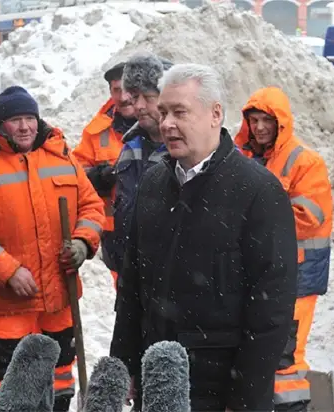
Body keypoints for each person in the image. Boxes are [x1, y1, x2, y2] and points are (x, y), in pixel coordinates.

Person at [110, 64, 298, 412]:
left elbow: (271, 312)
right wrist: (124, 365)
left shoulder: (257, 191)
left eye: (180, 112)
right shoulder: (153, 184)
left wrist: (245, 400)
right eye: (163, 111)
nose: (167, 123)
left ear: (215, 114)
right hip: (157, 380)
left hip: (219, 389)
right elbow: (132, 288)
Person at [0, 85, 105, 411]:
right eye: (15, 120)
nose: (24, 127)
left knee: (62, 368)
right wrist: (8, 271)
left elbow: (92, 208)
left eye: (29, 118)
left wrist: (82, 242)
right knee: (9, 375)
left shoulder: (64, 160)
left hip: (59, 295)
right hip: (10, 301)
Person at [235, 87, 334, 412]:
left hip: (297, 278)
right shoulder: (244, 157)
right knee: (260, 349)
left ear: (282, 123)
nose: (260, 127)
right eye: (254, 120)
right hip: (261, 274)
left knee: (285, 356)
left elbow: (311, 216)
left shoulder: (305, 161)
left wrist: (254, 213)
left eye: (267, 120)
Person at [72, 62, 137, 287]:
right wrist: (97, 176)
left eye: (128, 88)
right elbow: (76, 173)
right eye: (116, 90)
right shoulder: (96, 130)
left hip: (155, 227)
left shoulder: (160, 124)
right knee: (126, 296)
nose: (123, 96)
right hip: (115, 230)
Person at [109, 54, 167, 280]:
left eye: (148, 97)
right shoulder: (130, 150)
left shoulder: (187, 152)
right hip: (134, 274)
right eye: (135, 97)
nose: (139, 106)